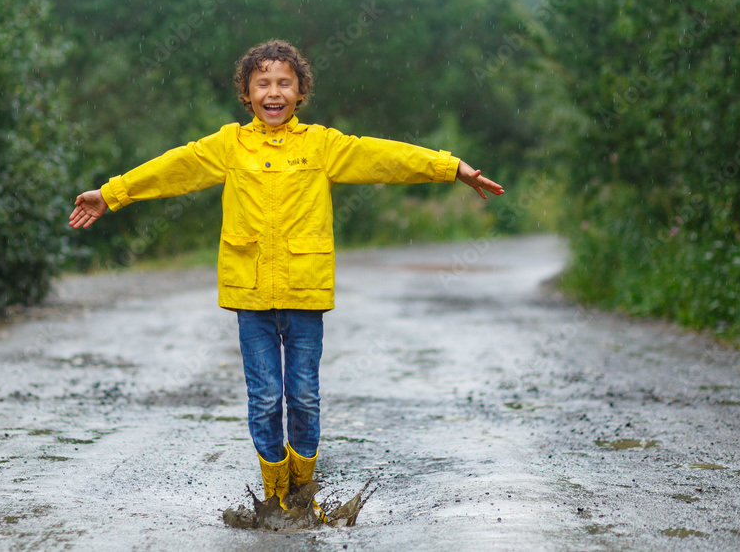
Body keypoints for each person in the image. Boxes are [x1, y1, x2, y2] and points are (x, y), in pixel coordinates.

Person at [69, 40, 504, 517]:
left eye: (284, 83)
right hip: (250, 293)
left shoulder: (322, 145)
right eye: (263, 84)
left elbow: (385, 156)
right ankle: (275, 498)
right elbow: (175, 167)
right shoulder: (229, 146)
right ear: (246, 92)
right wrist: (111, 194)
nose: (273, 93)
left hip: (304, 290)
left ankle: (302, 495)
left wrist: (450, 168)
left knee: (303, 396)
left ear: (300, 93)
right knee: (263, 400)